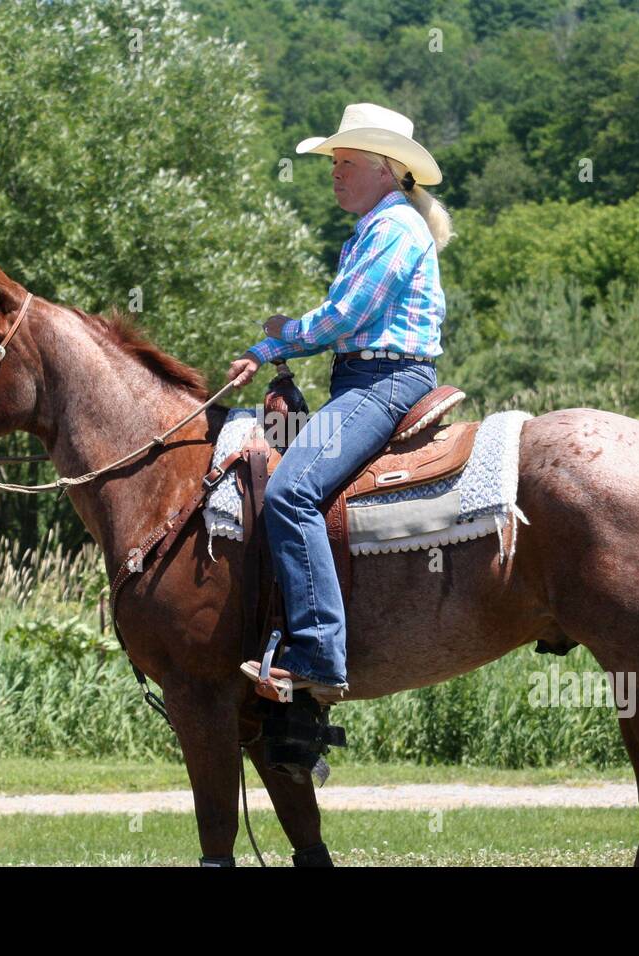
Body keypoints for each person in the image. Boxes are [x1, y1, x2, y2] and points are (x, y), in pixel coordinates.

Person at [225, 102, 454, 703]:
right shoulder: (378, 228)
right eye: (333, 161)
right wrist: (271, 345)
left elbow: (346, 316)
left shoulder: (394, 229)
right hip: (365, 378)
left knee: (289, 491)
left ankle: (319, 656)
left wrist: (278, 335)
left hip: (383, 382)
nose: (335, 171)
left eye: (345, 161)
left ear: (384, 168)